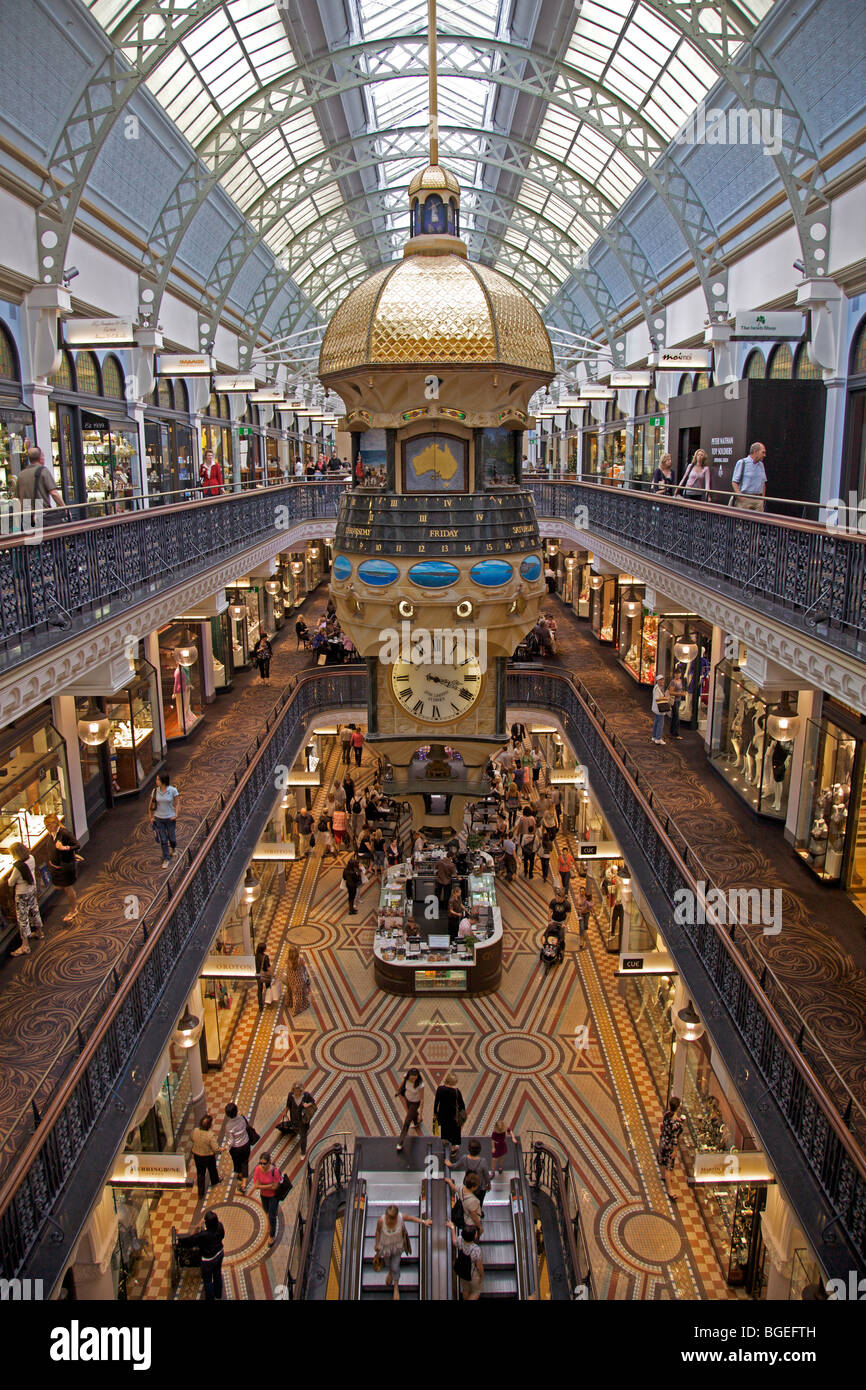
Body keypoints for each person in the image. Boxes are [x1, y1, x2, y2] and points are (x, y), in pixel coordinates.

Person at [374, 1204, 432, 1300]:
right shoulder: (381, 1220)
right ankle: (390, 1273)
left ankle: (396, 1286)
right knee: (388, 1263)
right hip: (385, 1247)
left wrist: (423, 1221)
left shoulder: (401, 1218)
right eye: (387, 1217)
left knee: (395, 1266)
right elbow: (377, 1232)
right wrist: (376, 1244)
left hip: (397, 1246)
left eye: (390, 1218)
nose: (388, 1220)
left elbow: (411, 1218)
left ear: (395, 1217)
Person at [12, 445, 66, 523]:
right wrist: (65, 508)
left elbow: (19, 499)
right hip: (43, 515)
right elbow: (54, 493)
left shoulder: (21, 475)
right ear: (40, 458)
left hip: (27, 517)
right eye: (43, 456)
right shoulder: (43, 471)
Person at [8, 841, 44, 955]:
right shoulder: (31, 858)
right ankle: (39, 932)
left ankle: (25, 946)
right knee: (34, 910)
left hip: (22, 894)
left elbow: (10, 882)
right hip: (32, 889)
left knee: (22, 919)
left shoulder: (18, 867)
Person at [43, 813, 80, 921]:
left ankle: (73, 910)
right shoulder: (52, 834)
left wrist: (64, 848)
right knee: (63, 887)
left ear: (55, 823)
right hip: (57, 867)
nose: (47, 828)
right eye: (46, 826)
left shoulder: (64, 833)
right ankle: (73, 902)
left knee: (68, 889)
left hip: (65, 867)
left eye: (49, 825)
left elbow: (77, 845)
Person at [149, 771, 180, 867]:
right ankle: (166, 858)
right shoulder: (155, 791)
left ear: (163, 780)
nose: (156, 781)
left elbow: (177, 802)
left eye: (158, 779)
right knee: (163, 839)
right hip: (159, 818)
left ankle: (173, 848)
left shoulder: (173, 790)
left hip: (170, 818)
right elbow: (151, 804)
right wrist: (150, 816)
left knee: (172, 838)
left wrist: (176, 814)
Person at [449, 1138, 490, 1209]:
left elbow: (455, 1166)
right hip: (479, 1187)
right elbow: (486, 1175)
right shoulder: (483, 1161)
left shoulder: (464, 1158)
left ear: (469, 1149)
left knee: (467, 1198)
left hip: (468, 1184)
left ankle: (468, 1209)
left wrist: (449, 1164)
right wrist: (488, 1184)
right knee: (479, 1201)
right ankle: (478, 1211)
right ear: (479, 1150)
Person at [253, 1151, 283, 1247]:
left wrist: (263, 1186)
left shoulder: (275, 1171)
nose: (262, 1165)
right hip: (264, 1195)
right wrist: (269, 1185)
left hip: (273, 1196)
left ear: (269, 1162)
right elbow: (256, 1186)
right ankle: (272, 1215)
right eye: (260, 1163)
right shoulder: (258, 1169)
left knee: (271, 1216)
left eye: (264, 1163)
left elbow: (275, 1187)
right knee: (266, 1211)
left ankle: (272, 1235)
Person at [448, 1221, 484, 1300]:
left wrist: (452, 1228)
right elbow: (479, 1266)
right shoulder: (476, 1249)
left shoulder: (460, 1240)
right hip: (472, 1274)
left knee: (465, 1289)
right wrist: (481, 1275)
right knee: (476, 1292)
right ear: (474, 1237)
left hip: (463, 1272)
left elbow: (454, 1242)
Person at [433, 1072, 466, 1161]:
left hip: (442, 1114)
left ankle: (445, 1142)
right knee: (455, 1132)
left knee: (444, 1129)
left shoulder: (440, 1089)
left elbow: (436, 1103)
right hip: (453, 1116)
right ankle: (453, 1149)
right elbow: (462, 1105)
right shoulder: (456, 1092)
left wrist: (435, 1113)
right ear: (453, 1082)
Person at [657, 1095, 684, 1197]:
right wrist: (675, 1150)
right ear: (678, 1107)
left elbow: (663, 1126)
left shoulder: (667, 1114)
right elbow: (675, 1138)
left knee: (663, 1160)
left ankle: (663, 1175)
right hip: (670, 1146)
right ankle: (670, 1190)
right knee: (669, 1167)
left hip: (663, 1141)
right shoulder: (677, 1123)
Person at [445, 1170, 484, 1236]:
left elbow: (453, 1187)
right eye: (477, 1186)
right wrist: (480, 1227)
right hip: (472, 1224)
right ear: (473, 1187)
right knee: (472, 1237)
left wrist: (449, 1181)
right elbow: (474, 1216)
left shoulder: (461, 1188)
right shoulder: (473, 1200)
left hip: (466, 1218)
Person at [191, 1114, 221, 1199]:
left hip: (197, 1155)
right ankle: (214, 1181)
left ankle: (200, 1193)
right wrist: (220, 1150)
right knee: (212, 1169)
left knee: (200, 1173)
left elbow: (192, 1138)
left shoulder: (195, 1130)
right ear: (209, 1125)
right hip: (208, 1156)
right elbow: (215, 1148)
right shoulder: (211, 1135)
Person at [731, 442, 767, 511]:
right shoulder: (742, 463)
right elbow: (734, 482)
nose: (764, 455)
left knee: (757, 521)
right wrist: (741, 497)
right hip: (745, 498)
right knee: (742, 521)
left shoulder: (761, 465)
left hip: (758, 500)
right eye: (763, 452)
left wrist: (762, 499)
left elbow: (763, 483)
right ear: (755, 452)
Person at [224, 1102, 252, 1190]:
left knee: (237, 1161)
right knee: (245, 1162)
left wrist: (226, 1147)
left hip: (236, 1148)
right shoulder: (242, 1118)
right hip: (246, 1144)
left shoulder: (229, 1126)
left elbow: (231, 1141)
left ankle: (240, 1174)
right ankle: (244, 1182)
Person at [283, 1083, 317, 1156]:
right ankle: (298, 1132)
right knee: (296, 1129)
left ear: (301, 1090)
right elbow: (288, 1105)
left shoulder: (306, 1095)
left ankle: (303, 1151)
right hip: (294, 1117)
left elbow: (312, 1101)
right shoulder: (290, 1095)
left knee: (303, 1135)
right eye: (295, 1090)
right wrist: (285, 1112)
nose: (297, 1092)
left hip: (303, 1119)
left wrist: (306, 1105)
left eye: (298, 1090)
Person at [199, 1210, 226, 1300]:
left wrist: (200, 1228)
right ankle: (218, 1295)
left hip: (208, 1260)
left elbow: (197, 1240)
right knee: (217, 1274)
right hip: (219, 1253)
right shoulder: (220, 1226)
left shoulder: (204, 1235)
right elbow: (222, 1236)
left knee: (207, 1281)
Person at [395, 1067, 424, 1150]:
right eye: (412, 1077)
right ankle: (417, 1122)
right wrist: (399, 1090)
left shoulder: (420, 1085)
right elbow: (403, 1083)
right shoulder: (406, 1077)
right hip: (407, 1099)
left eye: (415, 1077)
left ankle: (400, 1142)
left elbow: (422, 1100)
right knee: (412, 1114)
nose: (414, 1079)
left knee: (407, 1121)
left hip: (415, 1103)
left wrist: (420, 1114)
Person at [285, 943, 310, 1013]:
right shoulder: (300, 960)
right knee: (297, 995)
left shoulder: (288, 960)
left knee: (291, 991)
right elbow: (304, 966)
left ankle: (289, 1003)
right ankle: (296, 1009)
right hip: (298, 979)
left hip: (291, 979)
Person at [667, 670, 685, 739]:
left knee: (674, 716)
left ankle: (672, 732)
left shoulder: (680, 681)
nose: (678, 675)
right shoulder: (673, 682)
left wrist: (682, 692)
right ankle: (676, 734)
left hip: (678, 700)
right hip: (674, 701)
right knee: (676, 717)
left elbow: (680, 689)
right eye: (676, 674)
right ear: (674, 674)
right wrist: (680, 694)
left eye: (679, 673)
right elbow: (671, 692)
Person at [651, 676, 669, 745]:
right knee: (660, 724)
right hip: (659, 709)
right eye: (660, 681)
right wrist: (665, 697)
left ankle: (654, 736)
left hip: (657, 709)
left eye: (663, 680)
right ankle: (658, 738)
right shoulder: (657, 689)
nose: (662, 682)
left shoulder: (657, 688)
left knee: (656, 722)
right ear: (657, 681)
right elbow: (657, 699)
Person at [575, 882, 591, 951]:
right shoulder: (577, 897)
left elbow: (590, 905)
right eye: (580, 891)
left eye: (583, 891)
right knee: (581, 926)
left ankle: (583, 934)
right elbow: (575, 906)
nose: (581, 892)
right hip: (580, 914)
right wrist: (580, 909)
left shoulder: (587, 898)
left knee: (585, 926)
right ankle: (581, 940)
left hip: (586, 913)